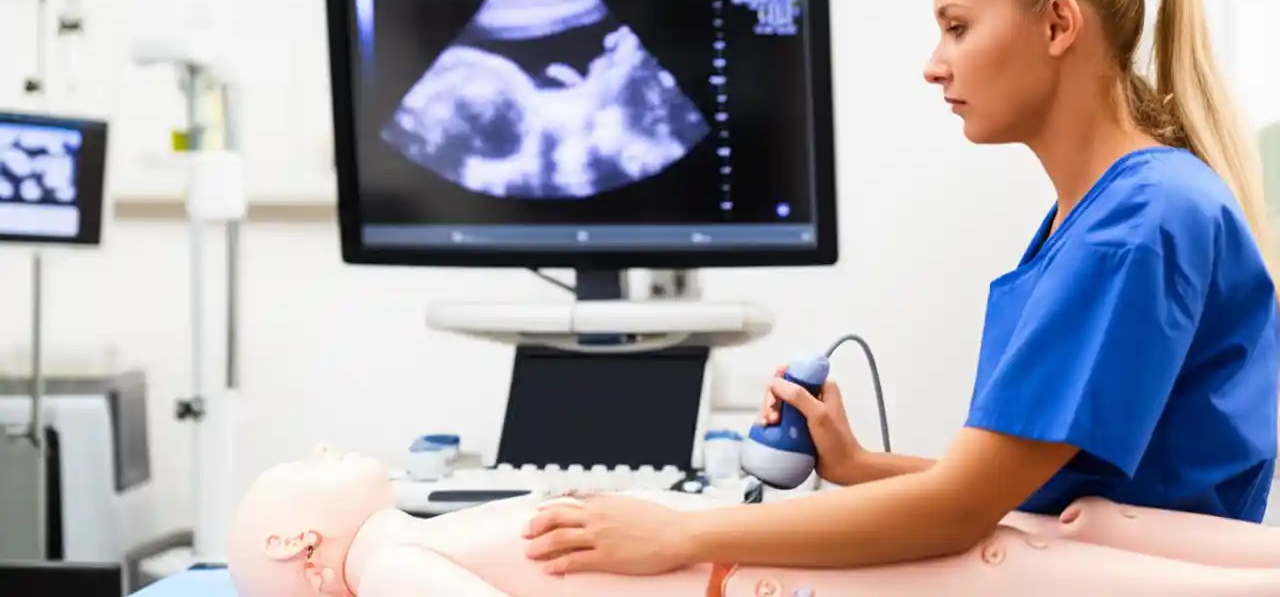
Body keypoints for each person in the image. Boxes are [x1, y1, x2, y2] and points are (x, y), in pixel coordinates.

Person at [522, 0, 1280, 577]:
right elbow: (1018, 493)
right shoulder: (1111, 211)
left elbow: (958, 511)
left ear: (1058, 24)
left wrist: (682, 535)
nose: (934, 65)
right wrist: (855, 465)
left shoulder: (1138, 223)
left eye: (958, 28)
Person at [226, 444, 1280, 597]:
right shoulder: (392, 561)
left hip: (767, 559)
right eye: (304, 467)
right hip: (779, 576)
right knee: (1044, 551)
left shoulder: (417, 538)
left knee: (1061, 533)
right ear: (294, 545)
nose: (323, 450)